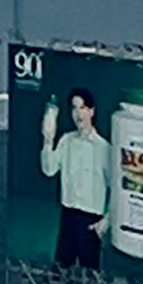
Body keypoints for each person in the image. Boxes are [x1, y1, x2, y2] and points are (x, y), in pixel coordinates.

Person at [41, 89, 111, 269]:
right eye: (74, 108)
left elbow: (116, 188)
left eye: (83, 108)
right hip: (68, 216)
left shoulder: (103, 148)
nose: (78, 113)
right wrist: (48, 140)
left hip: (91, 220)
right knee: (61, 269)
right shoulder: (67, 141)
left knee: (90, 275)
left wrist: (106, 220)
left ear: (92, 111)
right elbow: (49, 170)